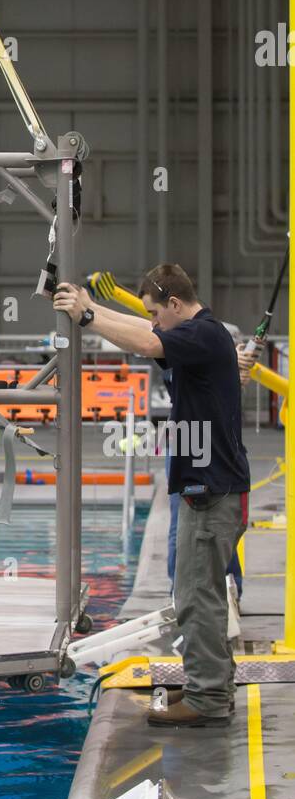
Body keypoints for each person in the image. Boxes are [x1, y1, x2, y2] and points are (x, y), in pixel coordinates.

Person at [54, 263, 250, 728]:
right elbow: (146, 330)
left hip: (213, 490)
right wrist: (90, 306)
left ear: (177, 306)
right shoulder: (197, 332)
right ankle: (210, 682)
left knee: (196, 597)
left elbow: (146, 340)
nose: (155, 321)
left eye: (159, 312)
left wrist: (86, 319)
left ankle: (207, 699)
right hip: (209, 487)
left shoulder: (203, 336)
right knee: (200, 595)